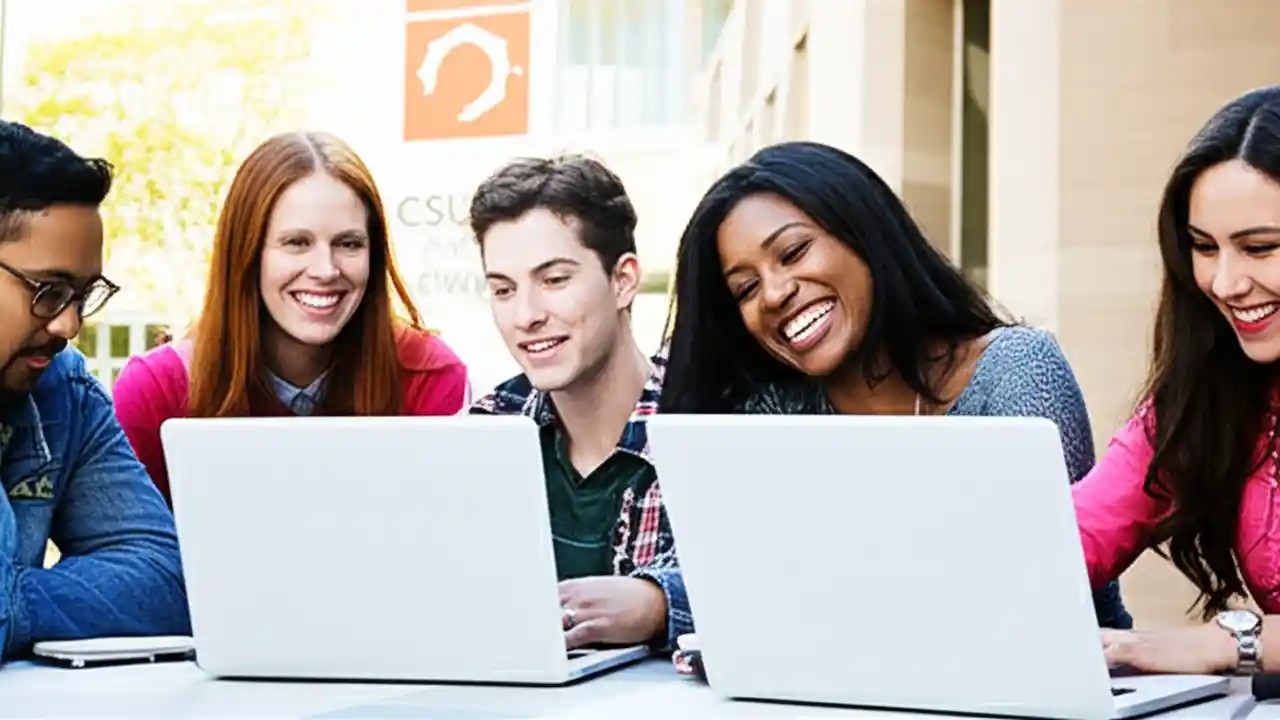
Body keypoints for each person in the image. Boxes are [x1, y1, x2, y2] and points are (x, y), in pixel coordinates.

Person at [659, 140, 1131, 630]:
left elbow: (1020, 585)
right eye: (746, 289)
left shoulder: (1015, 371)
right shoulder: (775, 412)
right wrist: (652, 596)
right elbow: (716, 564)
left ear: (865, 233)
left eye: (794, 252)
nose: (775, 294)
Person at [112, 132, 469, 504]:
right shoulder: (156, 392)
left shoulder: (428, 378)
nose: (325, 269)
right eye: (296, 243)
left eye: (348, 244)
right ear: (246, 252)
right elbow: (131, 550)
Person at [1075, 85, 1280, 676]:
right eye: (1203, 247)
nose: (1224, 282)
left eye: (1259, 248)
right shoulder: (1212, 393)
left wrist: (1232, 642)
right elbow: (1076, 534)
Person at [467, 154, 692, 650]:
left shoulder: (707, 425)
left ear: (623, 280)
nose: (525, 315)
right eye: (503, 289)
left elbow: (776, 586)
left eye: (554, 280)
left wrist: (659, 603)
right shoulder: (483, 433)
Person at [0, 120, 189, 661]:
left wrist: (13, 602)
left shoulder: (65, 390)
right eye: (48, 291)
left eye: (83, 294)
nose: (68, 325)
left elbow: (163, 578)